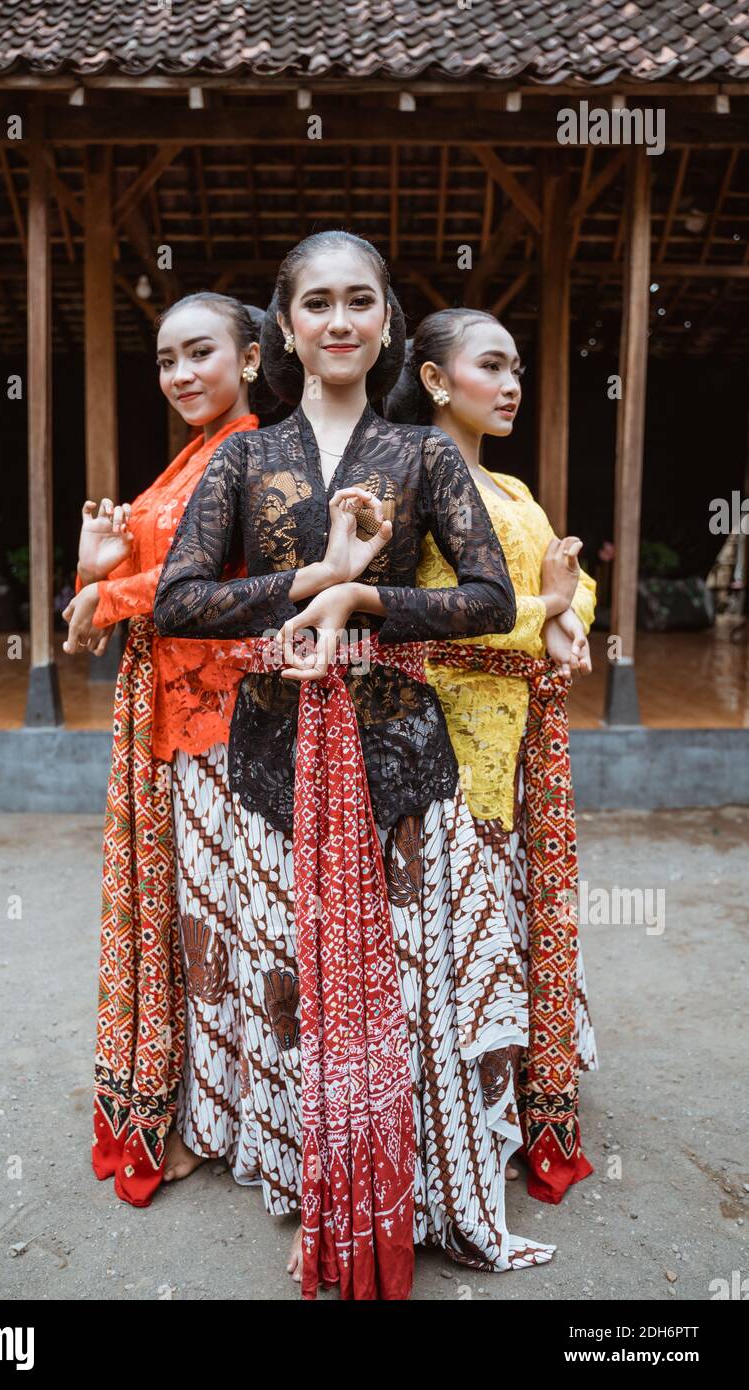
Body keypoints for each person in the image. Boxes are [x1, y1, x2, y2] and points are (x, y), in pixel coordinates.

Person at [153, 230, 555, 1300]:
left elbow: (489, 600)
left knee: (395, 982)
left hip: (397, 750)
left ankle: (400, 1188)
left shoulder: (421, 456)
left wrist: (365, 598)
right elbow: (177, 599)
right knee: (296, 976)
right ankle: (316, 1183)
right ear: (283, 327)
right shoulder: (244, 457)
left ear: (384, 326)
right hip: (273, 751)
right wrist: (310, 579)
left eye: (360, 303)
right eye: (316, 303)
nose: (338, 321)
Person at [385, 307, 598, 1205]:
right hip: (443, 739)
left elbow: (571, 573)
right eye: (493, 366)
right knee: (448, 936)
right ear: (436, 380)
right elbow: (411, 614)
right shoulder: (412, 478)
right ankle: (445, 1130)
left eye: (518, 368)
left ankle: (509, 1110)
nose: (512, 384)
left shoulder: (512, 491)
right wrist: (544, 619)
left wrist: (572, 623)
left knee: (507, 925)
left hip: (525, 740)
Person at [62, 293, 266, 1206]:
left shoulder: (255, 452)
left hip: (224, 719)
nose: (181, 374)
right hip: (167, 714)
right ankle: (201, 1114)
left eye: (200, 354)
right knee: (192, 921)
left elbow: (211, 576)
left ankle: (233, 1127)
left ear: (252, 359)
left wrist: (101, 596)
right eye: (166, 359)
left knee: (222, 925)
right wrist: (95, 569)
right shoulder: (187, 459)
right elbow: (132, 585)